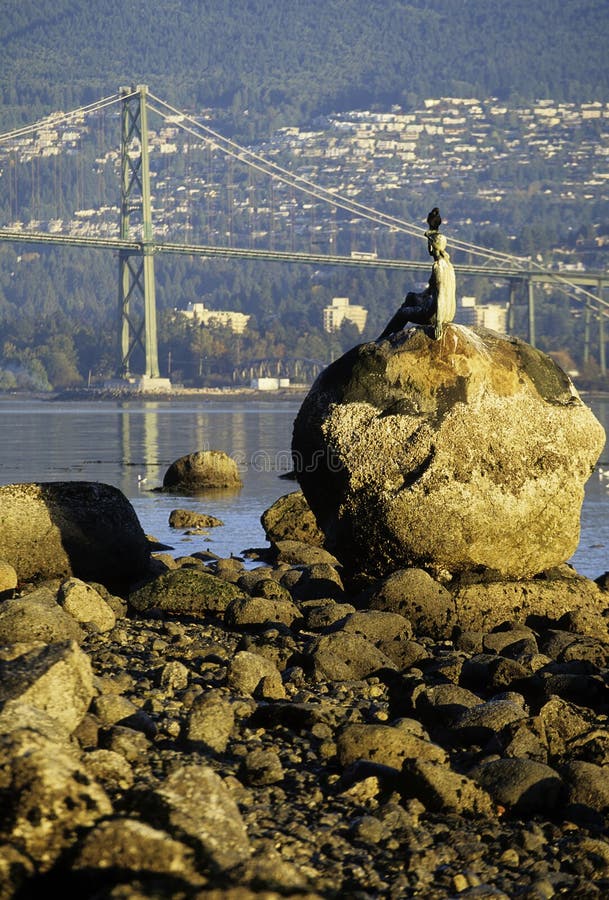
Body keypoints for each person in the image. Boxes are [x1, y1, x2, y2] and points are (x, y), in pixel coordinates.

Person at [378, 230, 456, 341]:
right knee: (411, 297)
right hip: (449, 313)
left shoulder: (438, 267)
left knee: (402, 312)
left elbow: (441, 294)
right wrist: (419, 297)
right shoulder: (449, 265)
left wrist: (438, 323)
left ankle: (386, 337)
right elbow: (433, 291)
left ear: (431, 247)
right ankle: (393, 335)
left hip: (435, 315)